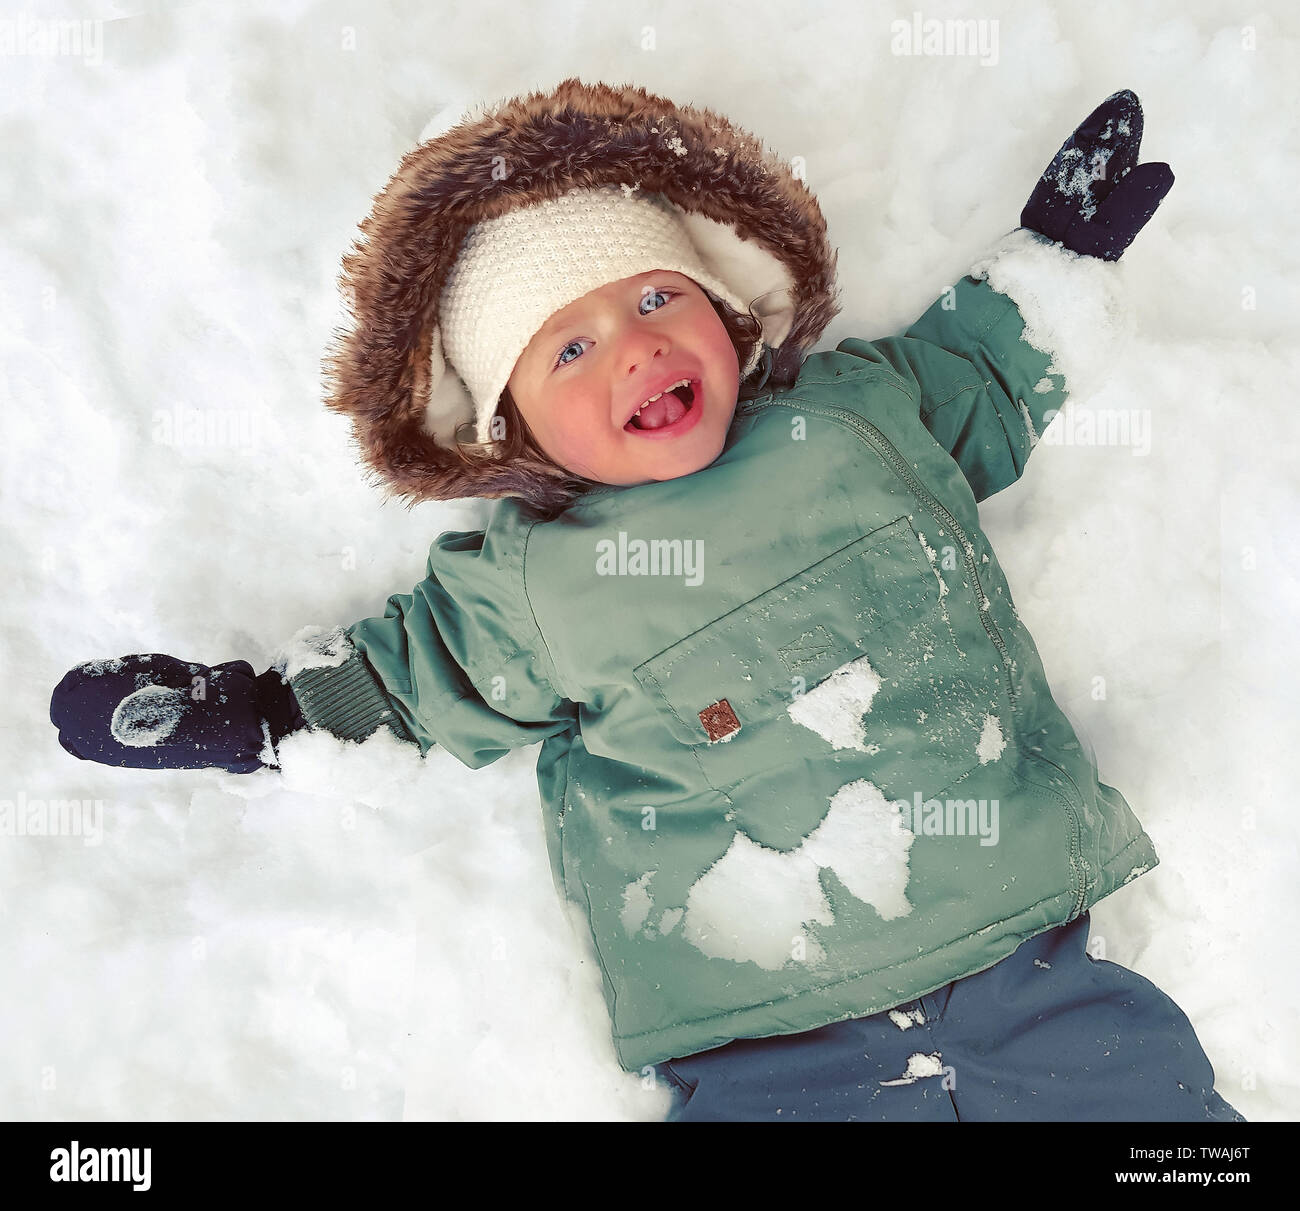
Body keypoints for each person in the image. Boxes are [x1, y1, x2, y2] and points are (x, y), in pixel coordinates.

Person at [50, 79, 1243, 1122]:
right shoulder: (533, 580)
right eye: (566, 349)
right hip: (766, 1030)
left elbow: (982, 367)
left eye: (656, 300)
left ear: (725, 313)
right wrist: (256, 712)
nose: (632, 346)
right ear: (506, 429)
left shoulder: (860, 416)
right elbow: (419, 685)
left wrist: (1054, 258)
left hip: (1031, 963)